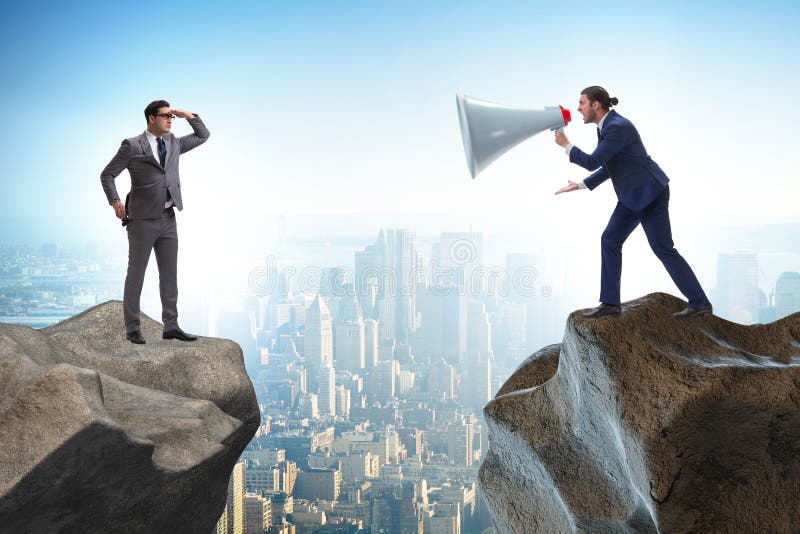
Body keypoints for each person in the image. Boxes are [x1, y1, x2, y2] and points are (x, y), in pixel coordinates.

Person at [554, 86, 711, 319]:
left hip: (650, 193)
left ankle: (700, 304)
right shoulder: (606, 127)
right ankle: (610, 304)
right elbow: (609, 165)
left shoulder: (617, 127)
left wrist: (567, 146)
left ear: (596, 105)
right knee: (610, 240)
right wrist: (582, 185)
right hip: (631, 196)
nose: (578, 108)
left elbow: (593, 161)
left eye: (582, 103)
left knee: (663, 249)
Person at [101, 100, 210, 343]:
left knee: (169, 275)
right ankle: (132, 329)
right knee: (136, 274)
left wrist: (188, 115)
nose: (170, 120)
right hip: (142, 220)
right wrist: (115, 201)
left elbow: (203, 135)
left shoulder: (174, 143)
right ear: (151, 118)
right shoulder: (132, 145)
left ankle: (171, 325)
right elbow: (107, 174)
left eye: (172, 116)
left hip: (169, 218)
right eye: (165, 116)